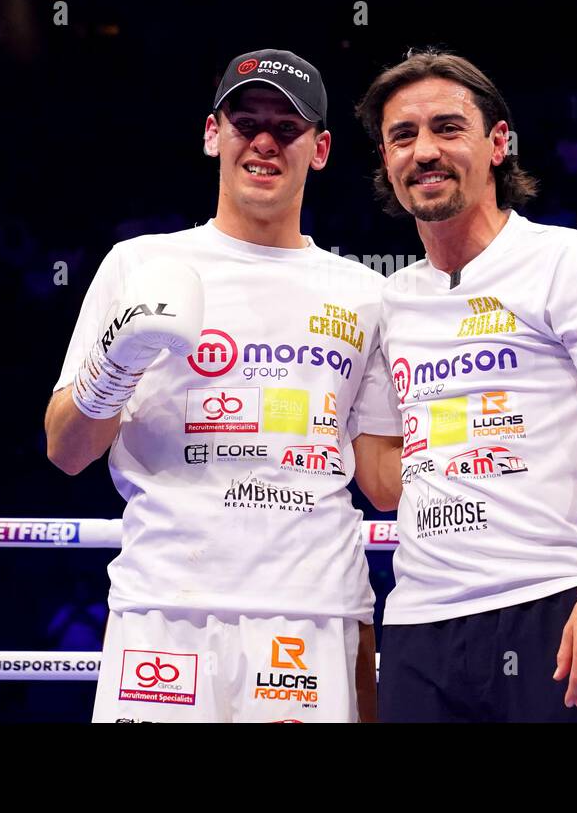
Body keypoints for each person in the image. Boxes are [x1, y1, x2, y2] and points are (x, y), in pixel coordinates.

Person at [45, 49, 402, 722]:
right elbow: (66, 450)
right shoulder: (141, 264)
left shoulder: (365, 295)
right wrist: (117, 363)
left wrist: (489, 457)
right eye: (246, 121)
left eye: (287, 127)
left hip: (312, 609)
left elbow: (384, 480)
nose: (264, 141)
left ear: (320, 149)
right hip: (165, 608)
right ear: (214, 133)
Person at [354, 50, 577, 722]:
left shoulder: (569, 264)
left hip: (554, 606)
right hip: (420, 623)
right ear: (386, 159)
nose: (425, 151)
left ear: (498, 143)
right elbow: (384, 484)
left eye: (448, 128)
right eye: (403, 136)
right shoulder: (386, 304)